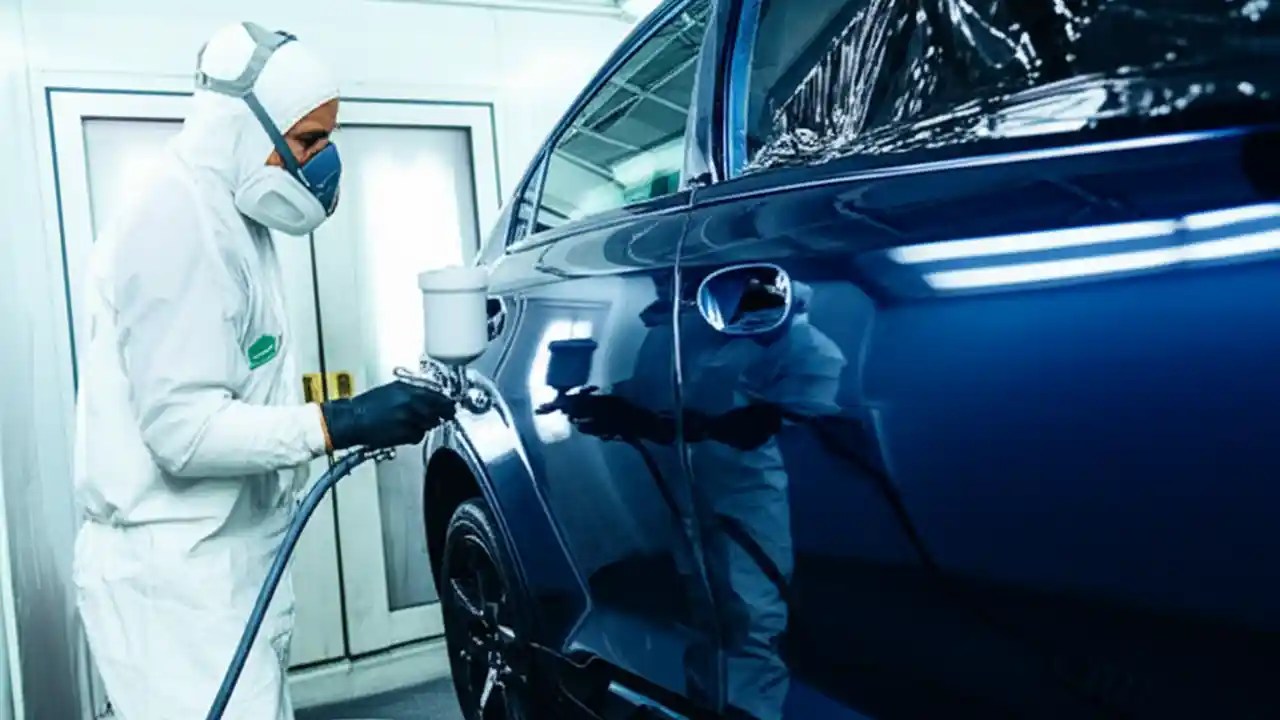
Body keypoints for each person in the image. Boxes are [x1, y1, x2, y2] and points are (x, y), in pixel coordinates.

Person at [71, 22, 455, 719]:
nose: (320, 163)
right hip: (177, 587)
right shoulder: (174, 218)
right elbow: (182, 434)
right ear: (242, 128)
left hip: (225, 565)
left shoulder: (234, 221)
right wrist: (341, 421)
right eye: (307, 142)